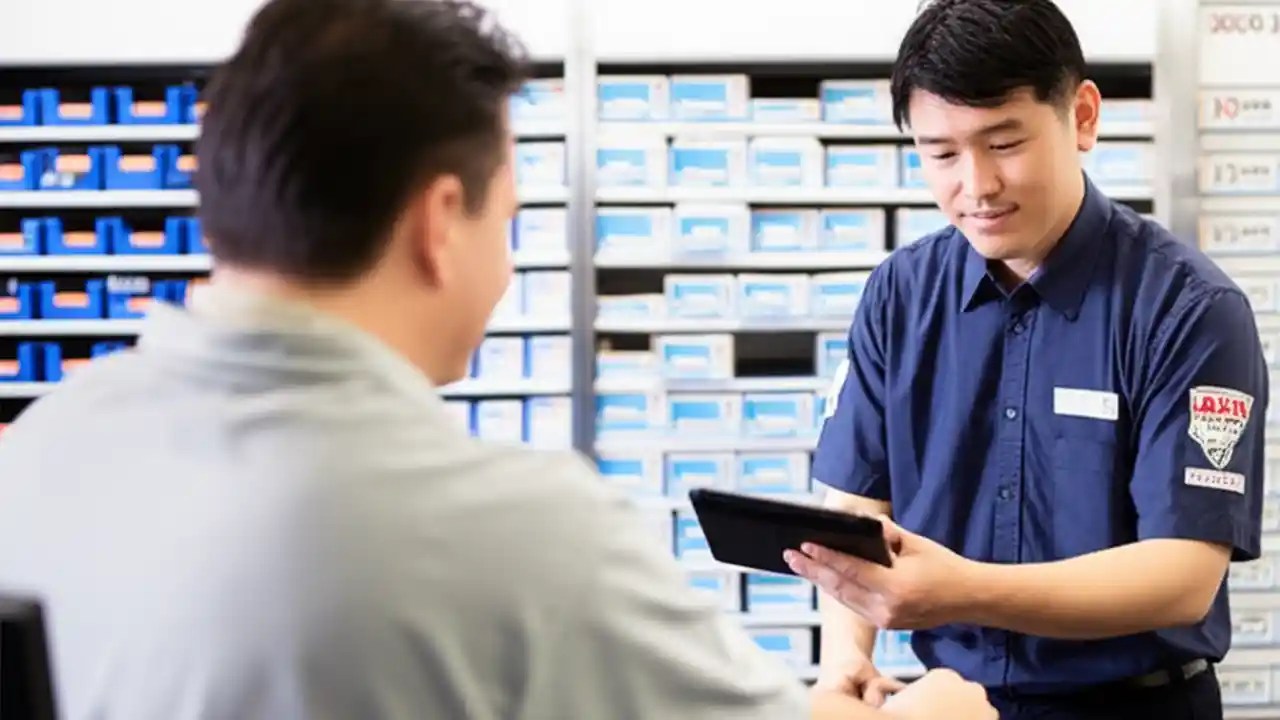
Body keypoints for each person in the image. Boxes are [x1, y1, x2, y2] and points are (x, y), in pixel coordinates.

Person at [0, 0, 999, 719]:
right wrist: (940, 712)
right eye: (509, 219)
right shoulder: (512, 528)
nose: (507, 261)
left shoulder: (36, 456)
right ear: (441, 222)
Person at [787, 0, 1269, 719]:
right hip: (953, 703)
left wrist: (960, 590)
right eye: (941, 154)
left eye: (1003, 143)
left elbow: (1182, 575)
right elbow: (858, 505)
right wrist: (843, 663)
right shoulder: (901, 294)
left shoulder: (1188, 310)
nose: (975, 186)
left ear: (1081, 117)